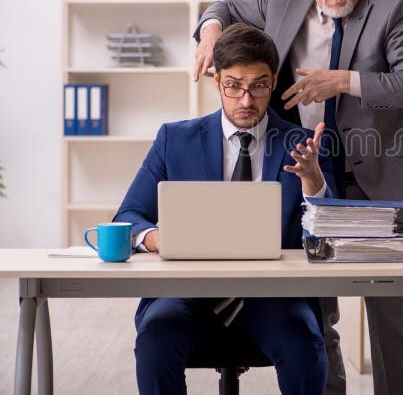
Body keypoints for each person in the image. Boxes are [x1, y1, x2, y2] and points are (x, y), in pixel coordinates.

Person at [192, 0, 403, 395]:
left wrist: (343, 81)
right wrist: (210, 34)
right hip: (307, 173)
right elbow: (222, 7)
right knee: (315, 310)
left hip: (379, 178)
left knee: (390, 311)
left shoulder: (398, 8)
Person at [114, 24, 334, 395]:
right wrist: (158, 239)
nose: (246, 100)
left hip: (274, 296)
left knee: (305, 345)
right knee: (156, 336)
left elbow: (329, 239)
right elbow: (128, 217)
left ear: (273, 82)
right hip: (188, 292)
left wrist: (313, 181)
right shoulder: (174, 139)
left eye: (259, 86)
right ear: (216, 81)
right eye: (234, 85)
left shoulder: (303, 145)